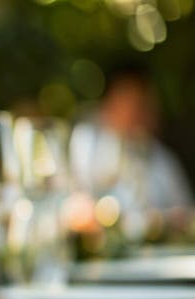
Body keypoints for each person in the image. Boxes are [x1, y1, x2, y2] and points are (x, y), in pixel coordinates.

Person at [69, 64, 192, 245]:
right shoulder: (85, 143)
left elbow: (186, 213)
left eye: (143, 103)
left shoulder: (162, 158)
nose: (137, 113)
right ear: (109, 103)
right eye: (129, 101)